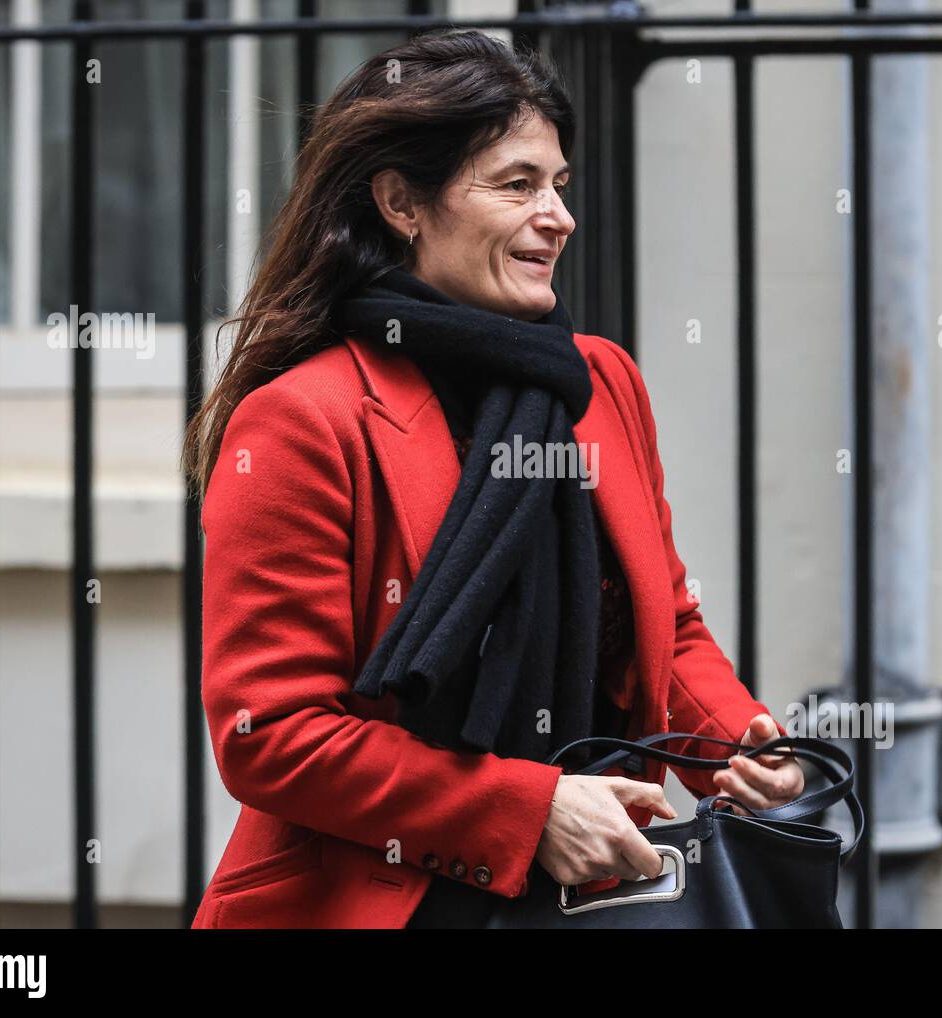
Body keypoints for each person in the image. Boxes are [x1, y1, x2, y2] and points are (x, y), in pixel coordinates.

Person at [181, 27, 804, 931]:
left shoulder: (601, 381)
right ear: (402, 201)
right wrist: (526, 809)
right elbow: (271, 735)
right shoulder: (302, 418)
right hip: (384, 906)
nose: (557, 215)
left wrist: (738, 746)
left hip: (597, 899)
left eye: (559, 185)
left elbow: (660, 621)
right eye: (517, 185)